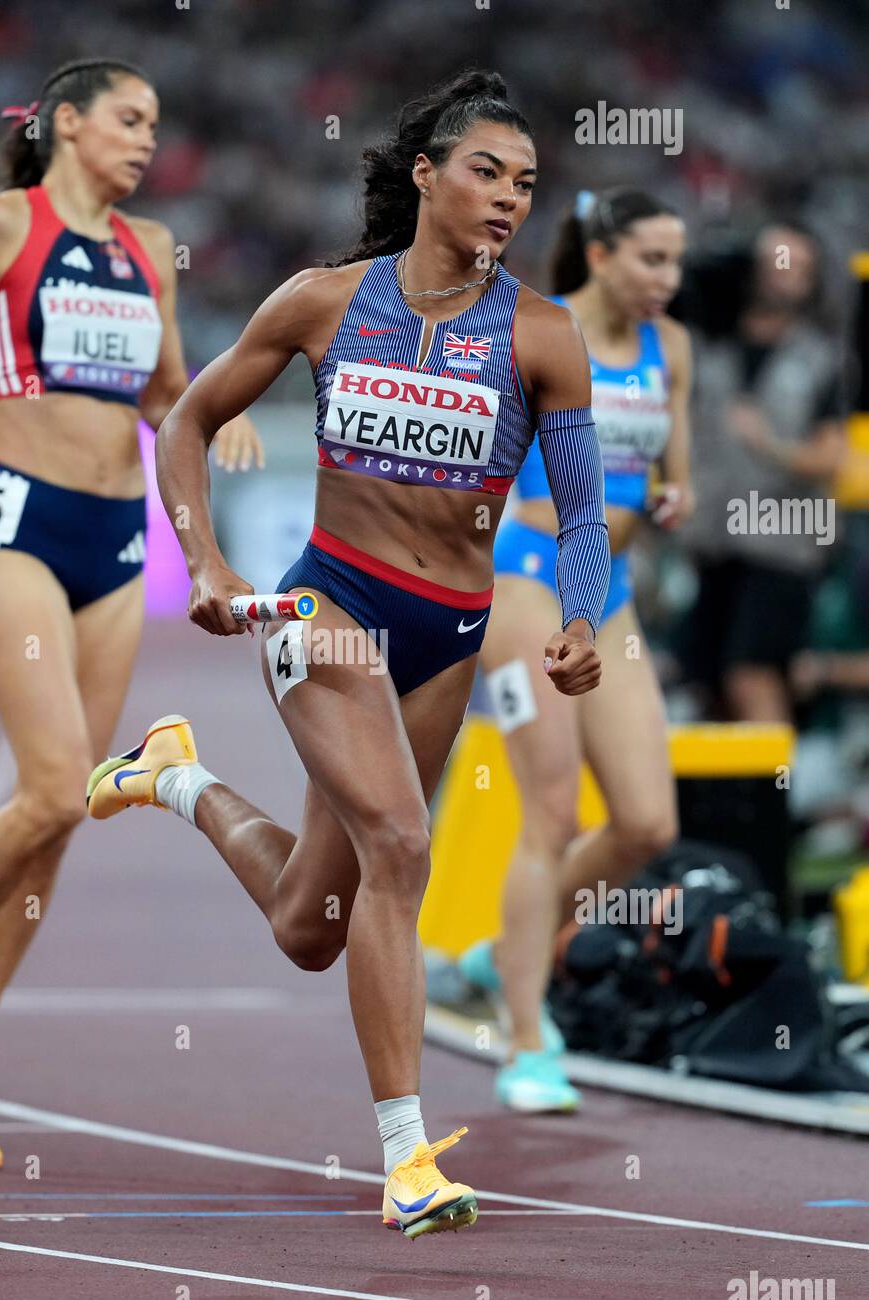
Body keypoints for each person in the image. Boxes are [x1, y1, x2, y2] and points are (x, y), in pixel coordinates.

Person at [87, 69, 610, 1237]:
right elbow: (185, 422)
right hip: (328, 603)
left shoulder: (541, 334)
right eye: (484, 170)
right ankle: (405, 1155)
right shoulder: (322, 302)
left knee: (308, 926)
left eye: (525, 183)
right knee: (399, 842)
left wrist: (581, 616)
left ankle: (172, 775)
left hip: (450, 634)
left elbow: (580, 519)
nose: (507, 198)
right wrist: (206, 565)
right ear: (424, 175)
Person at [0, 57, 261, 1168]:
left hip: (116, 547)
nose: (145, 140)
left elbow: (165, 393)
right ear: (66, 123)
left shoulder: (148, 254)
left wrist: (214, 413)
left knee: (61, 813)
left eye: (156, 125)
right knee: (48, 782)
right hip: (17, 528)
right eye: (127, 119)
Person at [464, 188, 693, 1113]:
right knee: (551, 814)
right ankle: (526, 1040)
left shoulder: (670, 348)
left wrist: (671, 501)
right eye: (650, 260)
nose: (666, 282)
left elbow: (677, 479)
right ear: (600, 256)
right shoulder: (539, 332)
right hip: (523, 575)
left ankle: (497, 955)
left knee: (647, 825)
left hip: (610, 594)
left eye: (676, 263)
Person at [677, 222, 847, 721]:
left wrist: (768, 444)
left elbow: (830, 458)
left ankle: (774, 794)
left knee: (753, 673)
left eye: (799, 267)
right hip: (712, 539)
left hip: (782, 545)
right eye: (776, 261)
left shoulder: (821, 359)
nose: (784, 277)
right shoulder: (707, 344)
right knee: (705, 682)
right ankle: (728, 797)